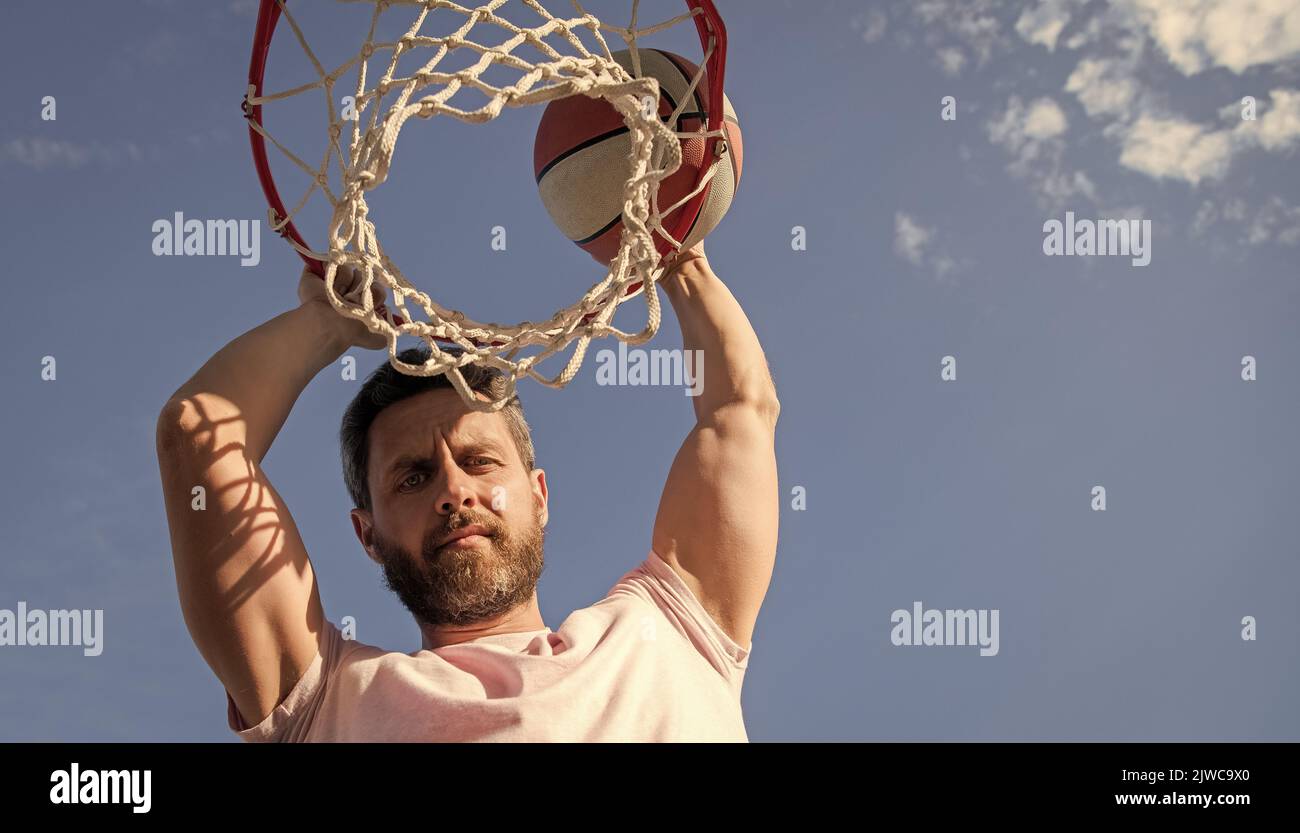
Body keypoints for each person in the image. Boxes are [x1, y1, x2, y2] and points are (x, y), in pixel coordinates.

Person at [154, 246, 780, 741]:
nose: (455, 489)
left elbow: (741, 410)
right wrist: (326, 325)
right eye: (413, 477)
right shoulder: (328, 705)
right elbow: (197, 437)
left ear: (539, 495)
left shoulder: (672, 630)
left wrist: (678, 254)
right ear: (367, 534)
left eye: (480, 461)